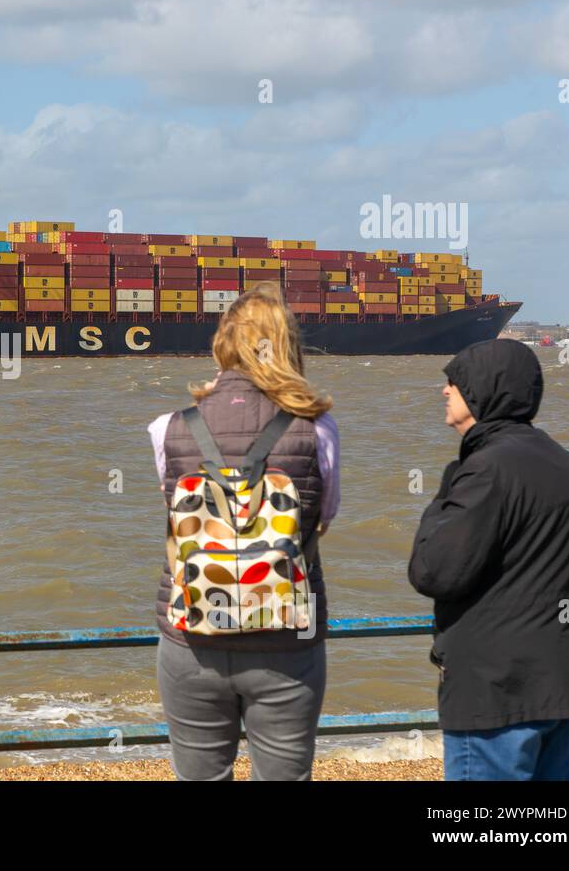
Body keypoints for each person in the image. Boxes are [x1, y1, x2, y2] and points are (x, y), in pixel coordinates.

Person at [148, 282, 339, 780]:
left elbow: (174, 516)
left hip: (192, 637)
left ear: (223, 343)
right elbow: (324, 516)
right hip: (286, 639)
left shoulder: (168, 426)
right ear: (286, 344)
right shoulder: (318, 427)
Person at [409, 338, 569, 780]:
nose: (444, 391)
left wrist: (446, 488)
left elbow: (434, 572)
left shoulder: (484, 469)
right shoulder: (563, 461)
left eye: (454, 382)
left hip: (499, 693)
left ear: (483, 390)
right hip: (567, 684)